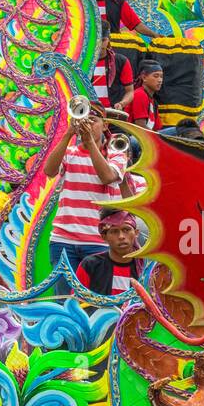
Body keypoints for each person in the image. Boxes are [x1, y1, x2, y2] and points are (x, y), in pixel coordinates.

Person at [43, 102, 129, 276]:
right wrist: (68, 134)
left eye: (93, 120)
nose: (87, 125)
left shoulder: (116, 155)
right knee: (64, 301)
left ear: (105, 125)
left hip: (98, 241)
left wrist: (90, 143)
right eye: (84, 120)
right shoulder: (69, 153)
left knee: (94, 301)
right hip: (63, 240)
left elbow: (107, 177)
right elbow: (49, 171)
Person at [76, 208, 143, 295]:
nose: (121, 236)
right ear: (104, 237)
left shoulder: (147, 268)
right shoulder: (90, 265)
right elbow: (75, 301)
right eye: (114, 231)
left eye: (126, 230)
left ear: (136, 233)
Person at [129, 61, 163, 130]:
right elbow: (141, 128)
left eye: (161, 77)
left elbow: (157, 129)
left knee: (182, 129)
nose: (160, 80)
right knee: (180, 130)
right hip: (134, 137)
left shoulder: (153, 101)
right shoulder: (140, 94)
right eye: (156, 76)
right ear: (144, 77)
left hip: (148, 135)